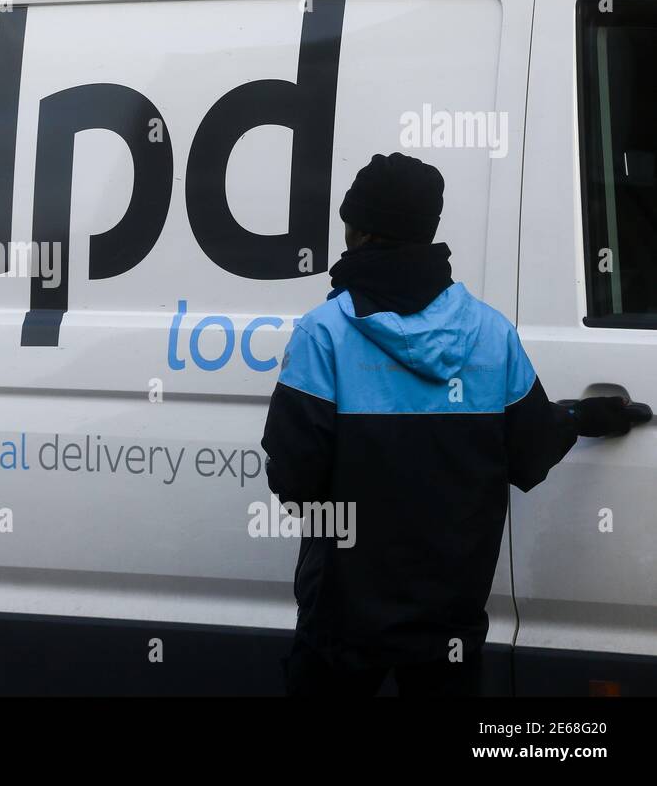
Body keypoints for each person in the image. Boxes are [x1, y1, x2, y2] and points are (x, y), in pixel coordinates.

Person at [261, 152, 635, 696]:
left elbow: (294, 477)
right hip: (449, 620)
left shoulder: (325, 334)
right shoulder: (490, 333)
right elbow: (530, 450)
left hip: (343, 619)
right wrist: (580, 417)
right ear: (427, 231)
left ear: (360, 232)